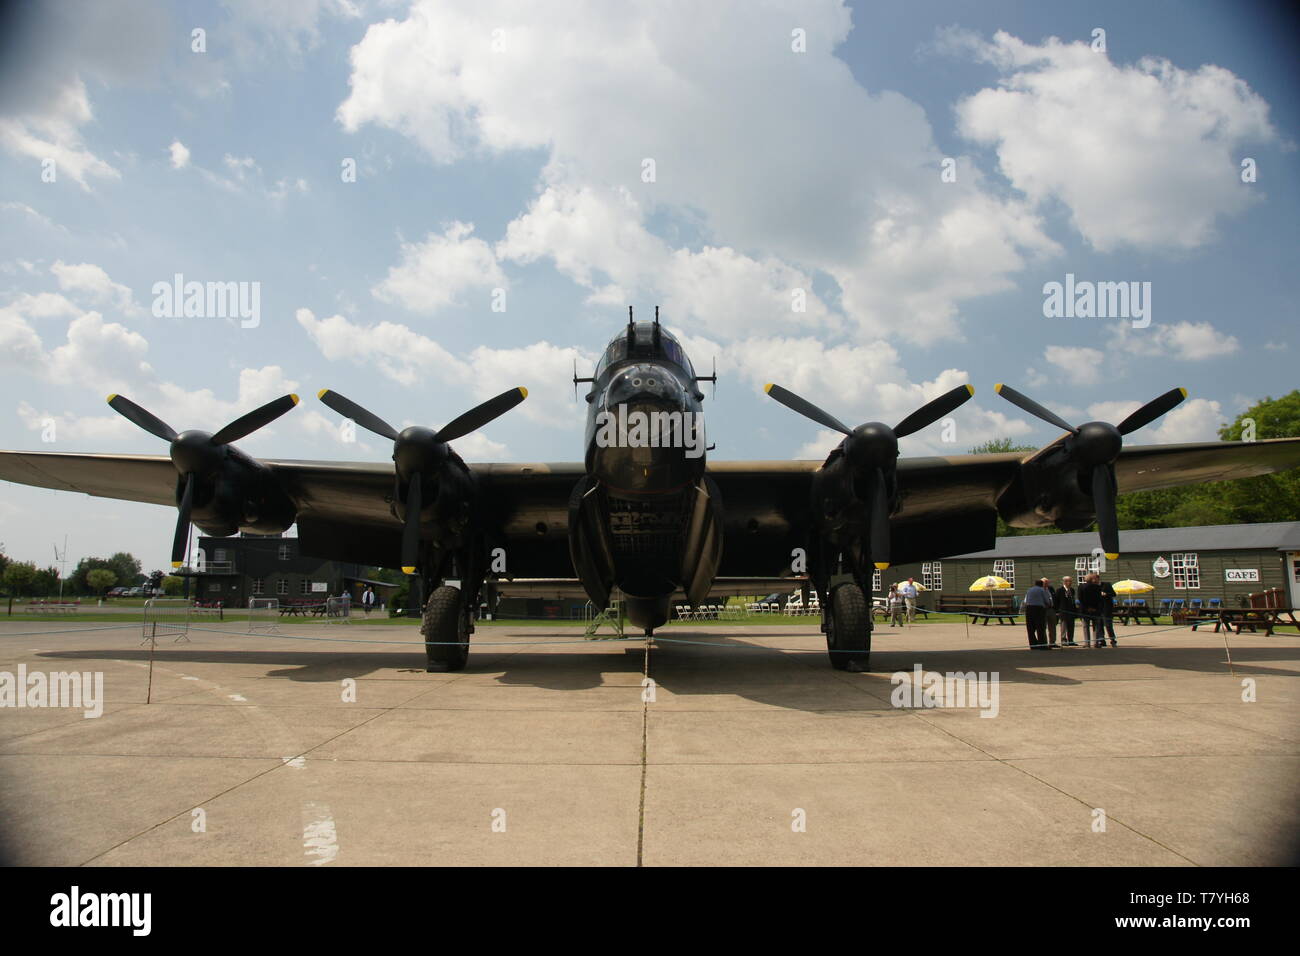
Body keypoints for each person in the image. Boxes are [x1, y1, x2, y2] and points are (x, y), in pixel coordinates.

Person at [1023, 579, 1052, 649]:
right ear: (1042, 584)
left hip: (1029, 609)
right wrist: (1049, 605)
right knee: (1040, 628)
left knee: (1030, 629)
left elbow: (1026, 601)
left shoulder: (1029, 590)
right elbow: (1047, 600)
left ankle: (1033, 645)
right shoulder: (1042, 590)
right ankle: (1042, 645)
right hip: (1039, 609)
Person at [1055, 575, 1079, 645]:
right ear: (1065, 582)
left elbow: (1073, 601)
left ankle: (1071, 640)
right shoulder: (1059, 590)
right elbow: (1057, 601)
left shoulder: (1072, 590)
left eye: (1071, 581)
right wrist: (1057, 611)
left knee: (1071, 626)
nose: (1071, 582)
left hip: (1071, 611)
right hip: (1063, 611)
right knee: (1064, 626)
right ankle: (1063, 640)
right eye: (1070, 581)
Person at [1097, 575, 1118, 647]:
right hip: (1098, 609)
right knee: (1099, 625)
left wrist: (1106, 594)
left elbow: (1114, 594)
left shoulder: (1107, 585)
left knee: (1108, 625)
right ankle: (1101, 640)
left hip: (1107, 609)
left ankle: (1113, 640)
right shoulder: (1093, 587)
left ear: (1098, 579)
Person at [1040, 577, 1059, 646]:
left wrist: (1056, 609)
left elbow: (1055, 598)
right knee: (1043, 627)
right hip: (1043, 610)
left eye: (1047, 583)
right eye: (1045, 583)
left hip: (1051, 609)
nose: (1046, 584)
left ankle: (1052, 642)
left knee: (1053, 627)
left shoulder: (1051, 588)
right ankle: (1043, 642)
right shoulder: (1039, 590)